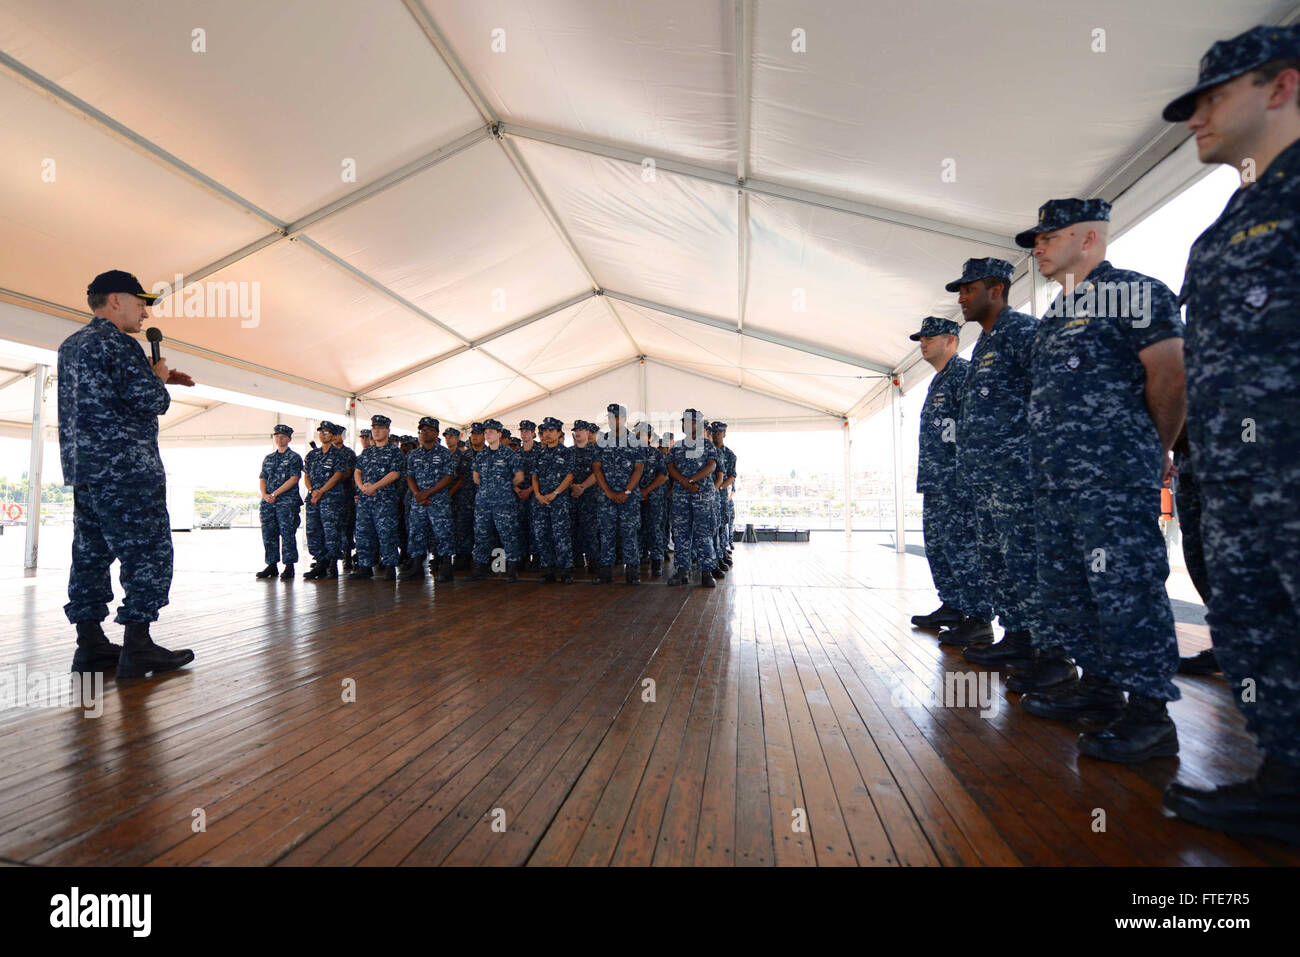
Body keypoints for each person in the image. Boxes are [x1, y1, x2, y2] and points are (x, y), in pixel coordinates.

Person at [1158, 24, 1300, 841]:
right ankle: (1287, 773)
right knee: (1253, 625)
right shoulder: (1233, 214)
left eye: (1213, 97)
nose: (1195, 118)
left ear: (1280, 86)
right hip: (1234, 474)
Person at [1008, 197, 1186, 763]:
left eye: (1047, 236)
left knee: (1127, 590)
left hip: (1111, 478)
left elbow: (1170, 373)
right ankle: (1100, 687)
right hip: (1055, 483)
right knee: (1069, 591)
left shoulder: (1134, 292)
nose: (1037, 247)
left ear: (1088, 238)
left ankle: (1151, 715)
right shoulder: (1055, 313)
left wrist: (1156, 446)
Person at [58, 269, 194, 678]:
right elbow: (153, 400)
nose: (145, 314)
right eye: (140, 303)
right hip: (128, 470)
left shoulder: (71, 345)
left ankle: (91, 645)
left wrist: (158, 378)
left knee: (90, 553)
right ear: (115, 300)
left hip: (86, 469)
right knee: (147, 551)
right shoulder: (120, 344)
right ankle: (138, 644)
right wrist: (158, 378)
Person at [943, 259, 1060, 689]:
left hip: (1018, 477)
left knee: (1028, 561)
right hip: (986, 480)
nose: (961, 298)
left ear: (996, 288)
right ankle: (1019, 636)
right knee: (999, 562)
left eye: (968, 289)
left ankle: (1051, 652)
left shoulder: (1024, 333)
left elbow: (1048, 400)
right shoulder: (984, 345)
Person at [906, 317, 991, 642]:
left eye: (930, 337)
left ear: (951, 340)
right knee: (939, 546)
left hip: (958, 484)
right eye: (921, 338)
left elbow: (976, 430)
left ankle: (979, 618)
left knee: (963, 548)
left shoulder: (963, 376)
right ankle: (953, 605)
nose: (923, 343)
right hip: (936, 483)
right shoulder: (939, 381)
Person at [592, 403, 645, 585]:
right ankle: (605, 572)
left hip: (628, 498)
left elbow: (639, 468)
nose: (613, 420)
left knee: (629, 534)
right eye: (610, 417)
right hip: (606, 498)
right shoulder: (602, 441)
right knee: (606, 533)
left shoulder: (634, 441)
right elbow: (597, 468)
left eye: (616, 417)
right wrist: (608, 492)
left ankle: (633, 572)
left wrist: (627, 491)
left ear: (623, 419)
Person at [666, 409, 718, 588]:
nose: (687, 424)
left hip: (701, 495)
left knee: (703, 533)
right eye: (684, 421)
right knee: (681, 533)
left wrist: (691, 480)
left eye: (692, 421)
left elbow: (711, 466)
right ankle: (682, 571)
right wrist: (683, 482)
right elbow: (671, 467)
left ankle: (706, 572)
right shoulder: (677, 446)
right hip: (681, 495)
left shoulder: (707, 445)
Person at [467, 419, 525, 582]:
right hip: (483, 502)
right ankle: (479, 568)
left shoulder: (509, 454)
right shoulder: (482, 455)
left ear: (499, 434)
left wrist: (503, 486)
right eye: (486, 432)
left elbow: (519, 477)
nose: (488, 435)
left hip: (504, 502)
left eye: (491, 432)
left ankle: (512, 569)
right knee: (481, 535)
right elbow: (476, 477)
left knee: (508, 534)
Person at [403, 417, 457, 582]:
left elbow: (449, 477)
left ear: (436, 433)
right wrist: (417, 494)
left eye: (429, 430)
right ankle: (417, 566)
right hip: (418, 501)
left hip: (438, 501)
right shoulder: (413, 454)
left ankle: (447, 568)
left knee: (443, 534)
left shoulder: (445, 454)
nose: (425, 433)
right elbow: (409, 476)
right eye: (422, 430)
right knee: (416, 533)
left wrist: (427, 493)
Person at [351, 414, 405, 580]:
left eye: (381, 428)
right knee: (363, 533)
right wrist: (361, 487)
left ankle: (390, 567)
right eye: (374, 428)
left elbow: (395, 474)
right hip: (366, 500)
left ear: (387, 431)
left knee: (386, 533)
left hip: (384, 500)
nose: (377, 431)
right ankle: (365, 566)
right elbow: (357, 471)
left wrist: (374, 486)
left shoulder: (395, 452)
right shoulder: (367, 453)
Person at [255, 424, 304, 581]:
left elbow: (294, 479)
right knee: (268, 533)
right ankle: (272, 564)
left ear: (289, 439)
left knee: (287, 533)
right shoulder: (269, 458)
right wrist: (265, 494)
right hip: (268, 502)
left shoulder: (294, 457)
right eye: (277, 436)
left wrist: (275, 493)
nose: (279, 439)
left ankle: (289, 565)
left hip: (286, 501)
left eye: (283, 436)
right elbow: (263, 478)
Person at [532, 416, 576, 583]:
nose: (547, 434)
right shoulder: (539, 453)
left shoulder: (566, 453)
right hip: (540, 501)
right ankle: (548, 569)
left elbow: (569, 476)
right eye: (545, 431)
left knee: (561, 536)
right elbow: (534, 476)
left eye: (551, 431)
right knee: (542, 536)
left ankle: (566, 571)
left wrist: (555, 493)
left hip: (558, 502)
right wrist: (537, 495)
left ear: (559, 433)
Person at [302, 421, 347, 580]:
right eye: (321, 432)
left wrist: (321, 491)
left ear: (334, 436)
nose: (323, 435)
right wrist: (313, 490)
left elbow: (337, 476)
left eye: (327, 432)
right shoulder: (312, 455)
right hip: (314, 498)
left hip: (331, 498)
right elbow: (306, 475)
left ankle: (332, 563)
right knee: (313, 531)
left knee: (331, 531)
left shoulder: (338, 454)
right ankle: (320, 562)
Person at [634, 422, 669, 578]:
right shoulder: (630, 453)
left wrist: (646, 491)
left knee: (655, 530)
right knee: (636, 530)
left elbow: (663, 476)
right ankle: (639, 559)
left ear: (649, 436)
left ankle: (656, 563)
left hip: (654, 498)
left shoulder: (656, 454)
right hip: (634, 498)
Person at [569, 420, 600, 575]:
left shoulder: (596, 451)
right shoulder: (568, 452)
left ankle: (593, 561)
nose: (578, 433)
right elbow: (563, 474)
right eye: (576, 430)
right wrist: (573, 487)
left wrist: (582, 487)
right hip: (572, 497)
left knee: (590, 531)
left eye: (581, 430)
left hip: (590, 498)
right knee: (572, 530)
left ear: (588, 432)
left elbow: (598, 473)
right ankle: (576, 561)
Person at [709, 422, 736, 579]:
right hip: (706, 496)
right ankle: (712, 558)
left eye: (719, 432)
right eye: (714, 432)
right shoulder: (706, 451)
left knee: (720, 527)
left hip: (720, 496)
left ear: (724, 434)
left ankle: (720, 556)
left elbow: (732, 476)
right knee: (709, 529)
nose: (716, 434)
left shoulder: (730, 455)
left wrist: (719, 488)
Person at [331, 426, 358, 570]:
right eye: (332, 434)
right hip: (328, 497)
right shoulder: (326, 453)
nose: (334, 437)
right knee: (330, 528)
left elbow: (348, 473)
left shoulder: (348, 453)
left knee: (347, 526)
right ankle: (329, 559)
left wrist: (330, 481)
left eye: (337, 434)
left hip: (344, 494)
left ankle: (347, 556)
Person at [517, 420, 540, 570]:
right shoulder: (515, 453)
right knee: (520, 526)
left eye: (527, 431)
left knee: (536, 527)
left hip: (535, 494)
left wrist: (529, 490)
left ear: (533, 433)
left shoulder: (541, 451)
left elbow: (542, 475)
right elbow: (508, 474)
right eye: (522, 431)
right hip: (519, 495)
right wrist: (518, 490)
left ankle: (537, 558)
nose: (524, 433)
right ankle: (522, 557)